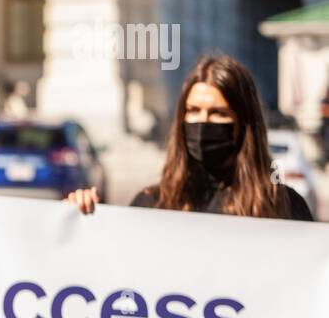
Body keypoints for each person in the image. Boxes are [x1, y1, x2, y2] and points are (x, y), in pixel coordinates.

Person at [66, 53, 313, 221]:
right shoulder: (153, 203)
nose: (203, 122)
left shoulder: (283, 206)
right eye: (193, 111)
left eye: (218, 113)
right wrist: (80, 218)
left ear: (244, 123)